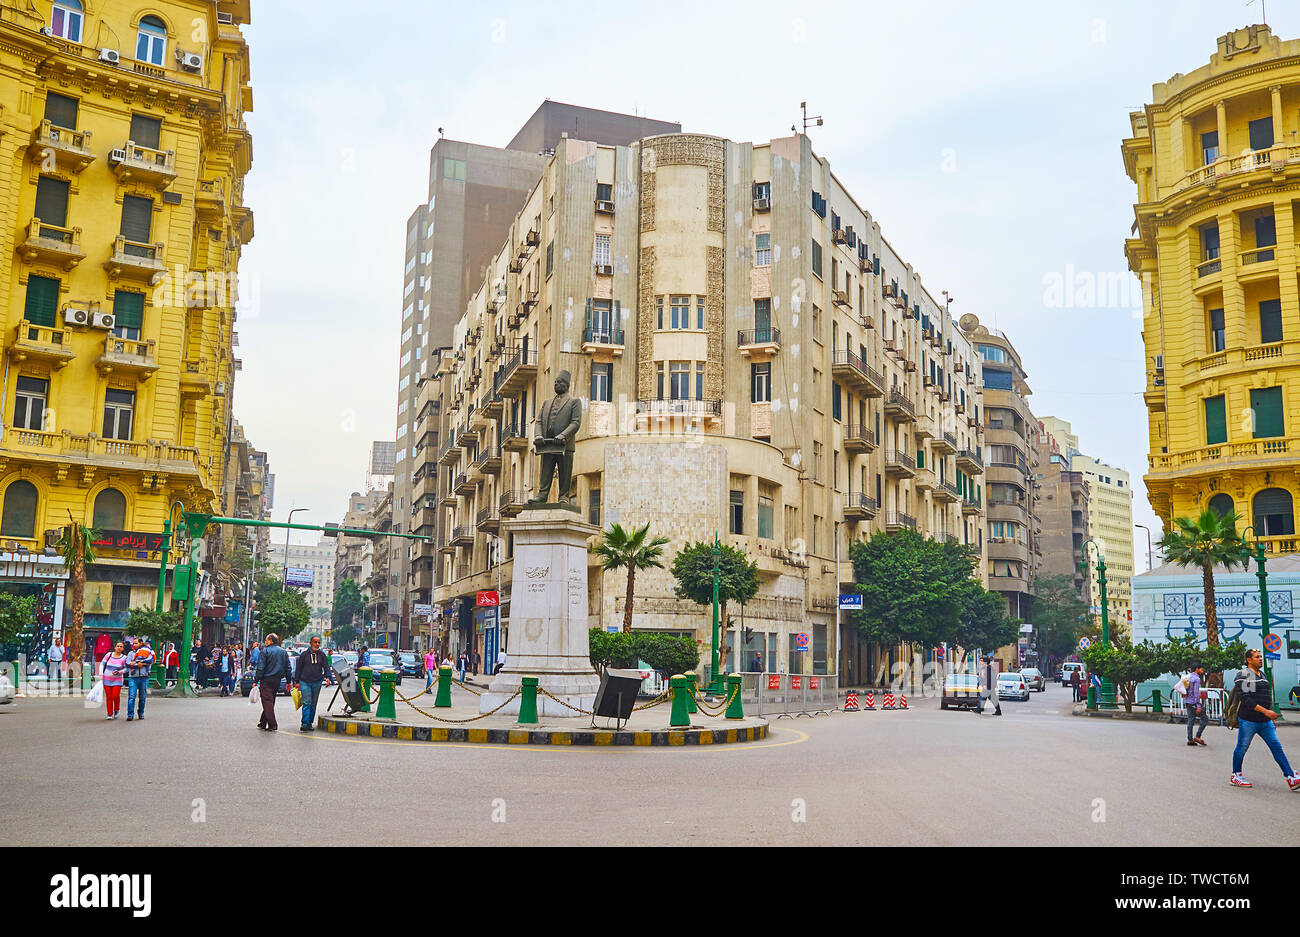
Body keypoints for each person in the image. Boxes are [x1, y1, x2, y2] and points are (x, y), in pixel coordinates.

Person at [1230, 647, 1300, 790]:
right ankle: (1236, 775)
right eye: (1257, 657)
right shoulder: (1244, 674)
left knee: (1276, 747)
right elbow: (1246, 699)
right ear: (1249, 660)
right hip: (1249, 720)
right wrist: (1266, 712)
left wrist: (1269, 717)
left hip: (1265, 721)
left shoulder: (1262, 674)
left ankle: (1290, 777)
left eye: (1261, 656)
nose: (1260, 659)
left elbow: (1265, 697)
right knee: (1242, 747)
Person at [293, 636, 333, 732]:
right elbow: (298, 669)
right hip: (304, 682)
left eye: (318, 642)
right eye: (315, 642)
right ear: (310, 643)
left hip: (317, 682)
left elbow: (326, 667)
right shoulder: (304, 655)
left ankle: (310, 723)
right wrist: (297, 682)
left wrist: (328, 678)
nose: (317, 644)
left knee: (313, 704)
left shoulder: (322, 655)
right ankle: (305, 723)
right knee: (307, 702)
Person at [254, 633, 292, 731]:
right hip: (277, 680)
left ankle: (273, 724)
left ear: (271, 640)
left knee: (267, 701)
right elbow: (288, 668)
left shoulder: (265, 651)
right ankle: (263, 722)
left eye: (266, 640)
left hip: (266, 680)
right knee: (270, 701)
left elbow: (260, 668)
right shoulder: (283, 652)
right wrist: (288, 681)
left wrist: (256, 680)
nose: (265, 642)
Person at [125, 638, 155, 721]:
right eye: (133, 643)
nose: (134, 645)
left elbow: (150, 660)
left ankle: (141, 713)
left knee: (142, 697)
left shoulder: (147, 651)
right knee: (131, 697)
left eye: (136, 643)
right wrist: (137, 665)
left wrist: (139, 663)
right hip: (133, 678)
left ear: (141, 643)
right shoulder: (131, 653)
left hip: (144, 677)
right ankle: (130, 714)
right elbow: (127, 664)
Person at [99, 641, 129, 720]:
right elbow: (102, 664)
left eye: (121, 646)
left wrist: (119, 672)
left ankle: (116, 709)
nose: (119, 648)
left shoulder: (124, 658)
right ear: (115, 647)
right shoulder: (108, 655)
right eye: (118, 646)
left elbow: (127, 668)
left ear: (123, 648)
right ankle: (109, 714)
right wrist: (101, 674)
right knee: (109, 697)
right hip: (106, 679)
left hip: (117, 680)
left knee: (115, 695)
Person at [1184, 663, 1208, 747]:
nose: (1202, 670)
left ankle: (1190, 739)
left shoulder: (1188, 677)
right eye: (1201, 669)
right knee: (1205, 718)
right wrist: (1198, 705)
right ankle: (1198, 736)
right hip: (1194, 703)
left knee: (1190, 720)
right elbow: (1196, 693)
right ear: (1197, 669)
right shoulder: (1196, 679)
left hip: (1188, 701)